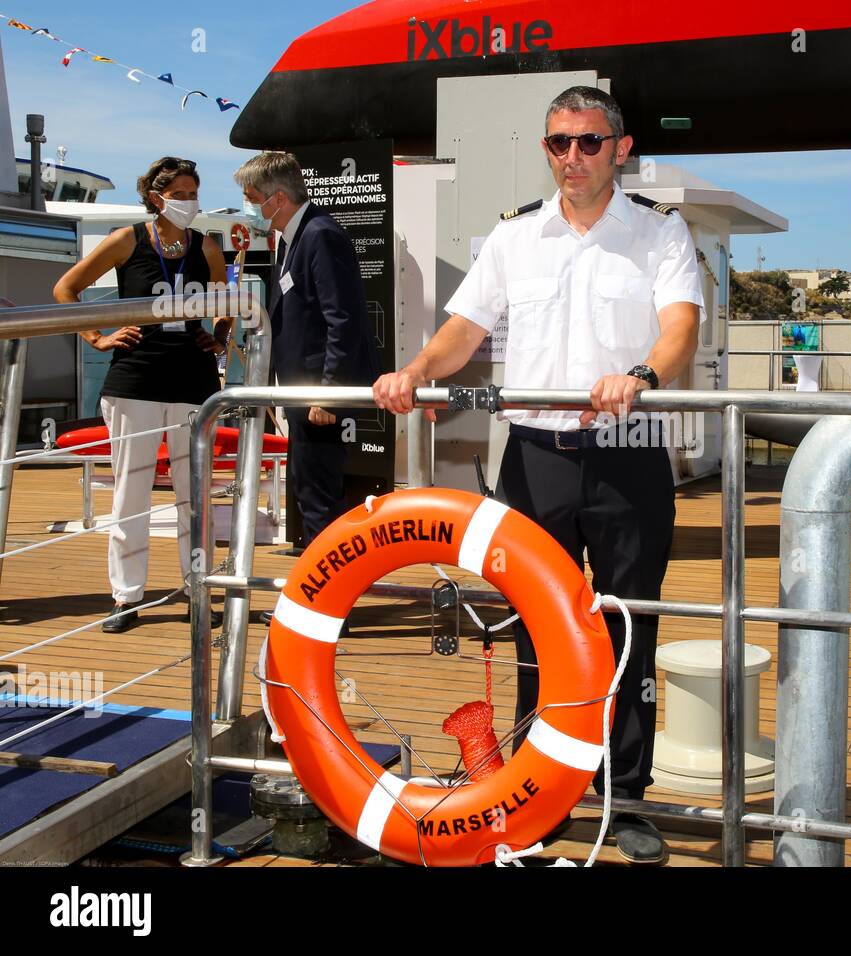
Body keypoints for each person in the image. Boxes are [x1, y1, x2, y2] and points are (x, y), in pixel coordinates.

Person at [373, 86, 704, 863]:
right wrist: (417, 369)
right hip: (532, 456)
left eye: (589, 143)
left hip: (628, 453)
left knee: (627, 629)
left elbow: (681, 325)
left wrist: (642, 375)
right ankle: (539, 794)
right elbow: (466, 329)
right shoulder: (515, 235)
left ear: (620, 149)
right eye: (559, 143)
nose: (573, 158)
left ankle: (625, 799)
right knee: (534, 631)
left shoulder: (660, 234)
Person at [53, 156, 230, 633]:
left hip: (192, 381)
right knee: (130, 495)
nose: (191, 202)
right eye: (182, 194)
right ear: (157, 197)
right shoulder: (126, 240)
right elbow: (65, 290)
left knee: (194, 496)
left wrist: (221, 336)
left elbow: (227, 299)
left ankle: (199, 591)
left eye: (195, 193)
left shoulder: (207, 246)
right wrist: (98, 337)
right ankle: (126, 598)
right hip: (135, 381)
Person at [233, 152, 380, 583]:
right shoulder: (294, 236)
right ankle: (320, 599)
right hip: (300, 393)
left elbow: (343, 318)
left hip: (317, 396)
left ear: (277, 197)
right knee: (309, 494)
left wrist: (326, 392)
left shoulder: (319, 234)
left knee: (319, 500)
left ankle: (327, 605)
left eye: (252, 198)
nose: (251, 209)